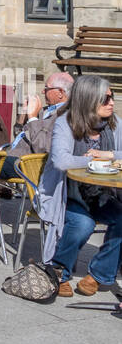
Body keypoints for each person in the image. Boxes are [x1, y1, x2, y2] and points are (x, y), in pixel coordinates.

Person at [37, 74, 122, 296]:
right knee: (82, 224)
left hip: (103, 194)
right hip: (68, 195)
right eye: (105, 99)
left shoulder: (114, 125)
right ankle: (60, 271)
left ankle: (99, 274)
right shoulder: (65, 123)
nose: (112, 103)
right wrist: (93, 160)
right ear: (88, 99)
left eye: (111, 98)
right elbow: (61, 160)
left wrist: (108, 154)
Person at [0, 71, 73, 183]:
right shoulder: (44, 110)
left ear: (60, 93)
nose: (43, 91)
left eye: (47, 88)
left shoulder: (65, 116)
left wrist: (33, 118)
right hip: (13, 155)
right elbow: (19, 134)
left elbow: (43, 148)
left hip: (30, 163)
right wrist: (23, 116)